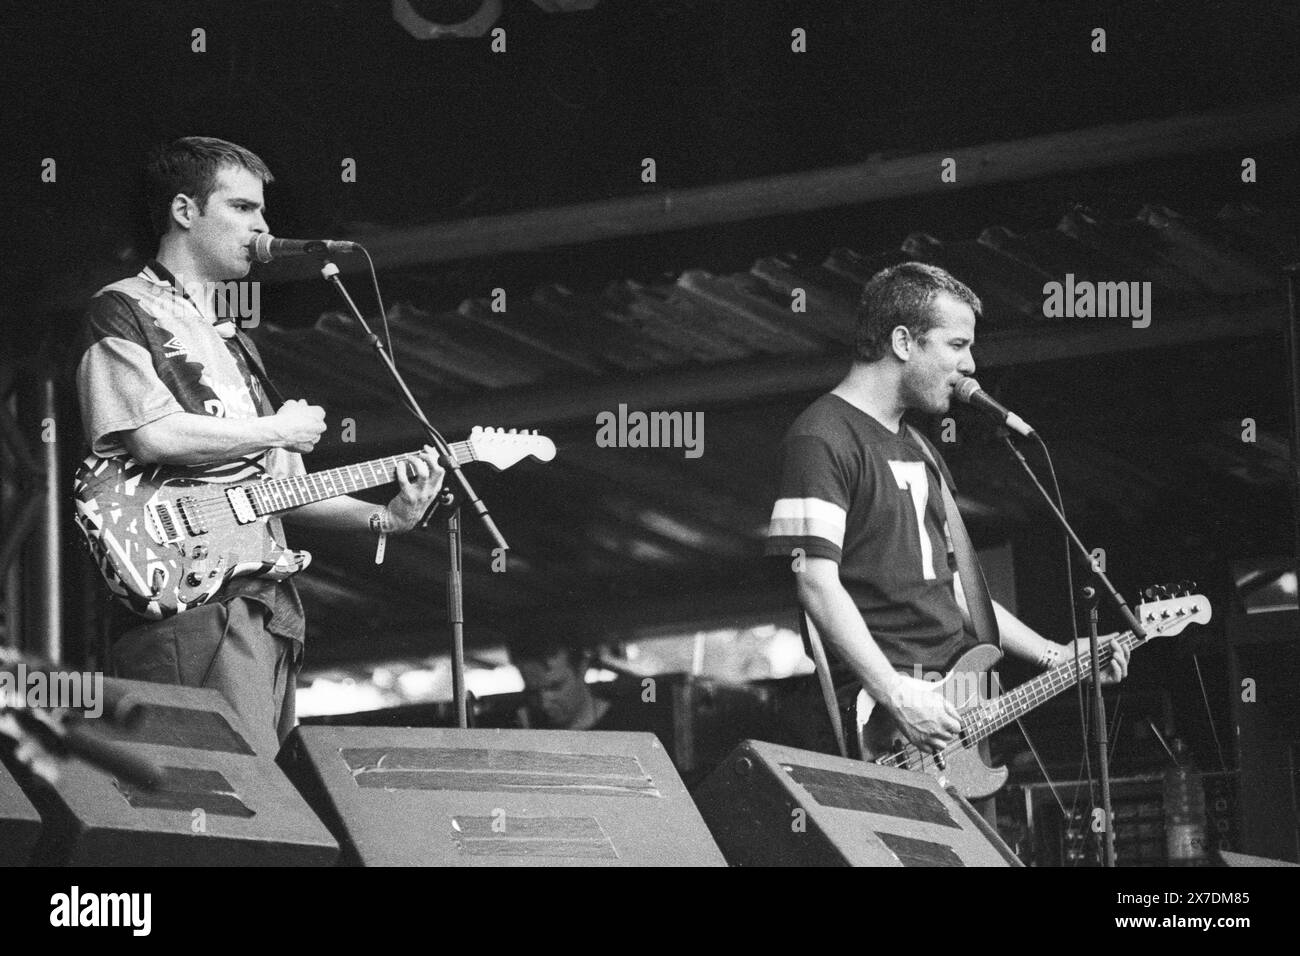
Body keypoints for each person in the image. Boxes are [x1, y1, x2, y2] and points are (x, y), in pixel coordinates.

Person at [73, 136, 445, 756]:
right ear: (186, 211)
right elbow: (150, 433)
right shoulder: (123, 307)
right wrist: (274, 429)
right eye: (243, 207)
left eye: (262, 211)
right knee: (222, 806)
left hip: (264, 606)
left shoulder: (237, 341)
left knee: (269, 806)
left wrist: (385, 516)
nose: (263, 226)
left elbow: (281, 495)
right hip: (190, 603)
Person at [765, 262, 1128, 760]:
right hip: (884, 720)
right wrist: (896, 692)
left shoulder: (920, 449)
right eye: (957, 345)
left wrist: (1058, 656)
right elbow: (815, 583)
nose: (971, 364)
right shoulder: (821, 437)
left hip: (955, 707)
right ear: (902, 342)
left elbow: (954, 585)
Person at [512, 641, 662, 733]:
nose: (544, 703)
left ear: (582, 669)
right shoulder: (529, 730)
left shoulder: (630, 727)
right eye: (533, 691)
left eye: (555, 687)